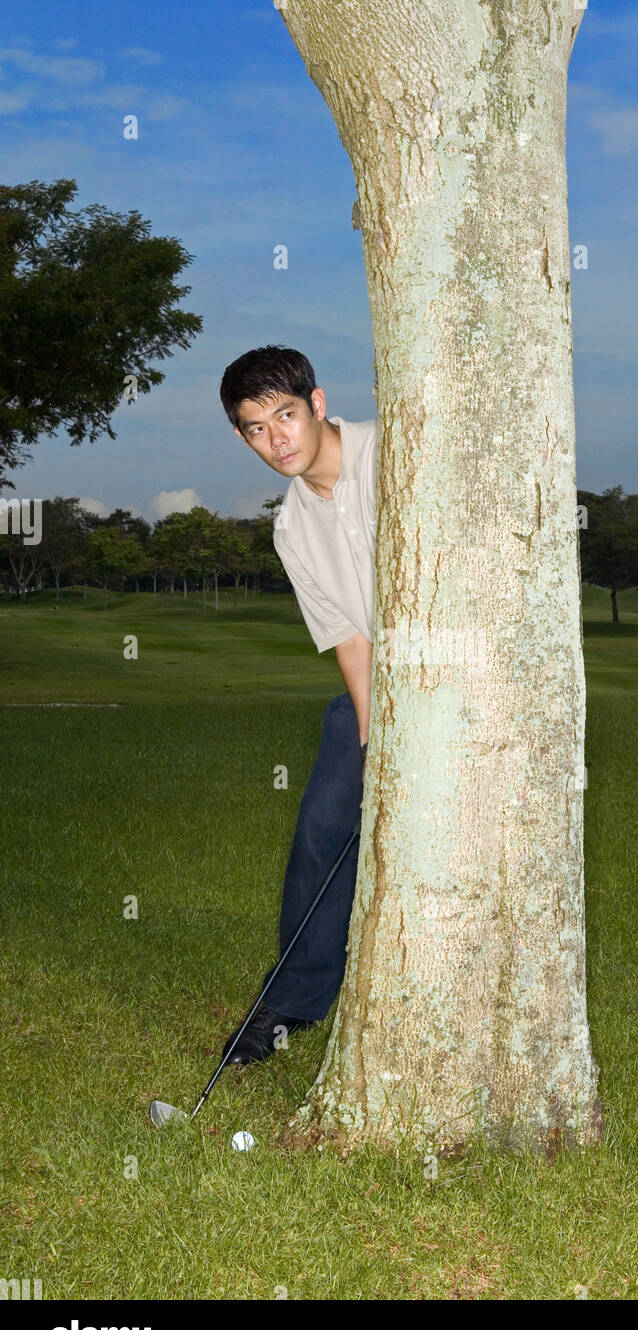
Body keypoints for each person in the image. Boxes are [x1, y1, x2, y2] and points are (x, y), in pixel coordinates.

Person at [217, 345, 376, 1064]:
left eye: (285, 413)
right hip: (376, 689)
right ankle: (290, 1003)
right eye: (255, 428)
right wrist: (376, 737)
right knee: (322, 831)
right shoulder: (290, 528)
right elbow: (347, 636)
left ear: (317, 403)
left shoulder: (395, 454)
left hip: (465, 674)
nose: (276, 438)